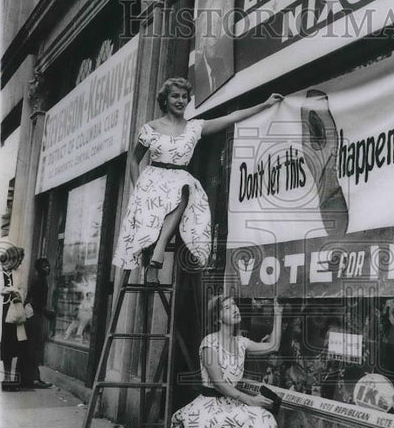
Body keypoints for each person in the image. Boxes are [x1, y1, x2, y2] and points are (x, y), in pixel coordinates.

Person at [112, 77, 283, 284]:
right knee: (180, 188)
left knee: (186, 186)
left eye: (184, 97)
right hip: (151, 181)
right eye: (175, 96)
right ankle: (152, 259)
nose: (180, 100)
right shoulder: (151, 128)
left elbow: (232, 117)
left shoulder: (195, 127)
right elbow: (133, 160)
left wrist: (264, 104)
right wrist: (136, 186)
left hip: (179, 180)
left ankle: (159, 250)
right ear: (165, 99)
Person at [168, 294, 284, 428]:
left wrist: (278, 313)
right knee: (254, 417)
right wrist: (251, 400)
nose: (235, 309)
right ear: (218, 318)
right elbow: (219, 384)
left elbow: (273, 346)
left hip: (230, 403)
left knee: (264, 417)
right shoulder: (209, 343)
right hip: (209, 406)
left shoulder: (241, 342)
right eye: (228, 308)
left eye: (235, 305)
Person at [19, 257, 55, 389]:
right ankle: (33, 379)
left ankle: (28, 378)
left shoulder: (40, 280)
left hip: (33, 316)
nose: (47, 268)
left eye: (48, 265)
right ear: (38, 268)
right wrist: (46, 312)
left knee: (30, 348)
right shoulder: (39, 281)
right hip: (34, 317)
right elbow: (33, 301)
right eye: (44, 266)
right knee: (33, 348)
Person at [0, 246, 27, 391]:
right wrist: (4, 291)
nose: (20, 263)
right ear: (13, 259)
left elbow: (22, 288)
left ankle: (11, 379)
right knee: (4, 344)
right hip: (1, 311)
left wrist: (18, 293)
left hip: (14, 311)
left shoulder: (18, 272)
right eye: (19, 260)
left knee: (13, 345)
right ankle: (6, 377)